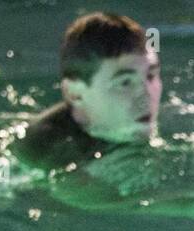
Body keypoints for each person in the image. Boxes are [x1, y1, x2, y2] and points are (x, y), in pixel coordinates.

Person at [11, 12, 160, 171]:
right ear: (75, 94)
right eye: (125, 83)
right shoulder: (55, 157)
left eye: (151, 75)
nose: (148, 95)